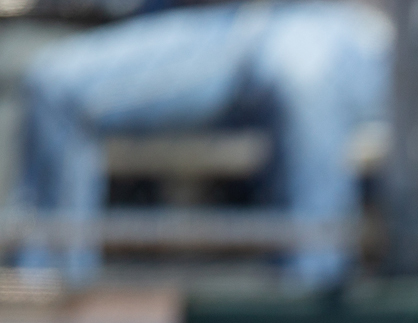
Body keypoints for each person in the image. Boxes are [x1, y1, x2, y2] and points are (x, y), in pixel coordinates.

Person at [12, 0, 391, 289]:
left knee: (302, 77)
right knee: (55, 87)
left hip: (329, 22)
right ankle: (52, 308)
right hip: (212, 27)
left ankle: (312, 304)